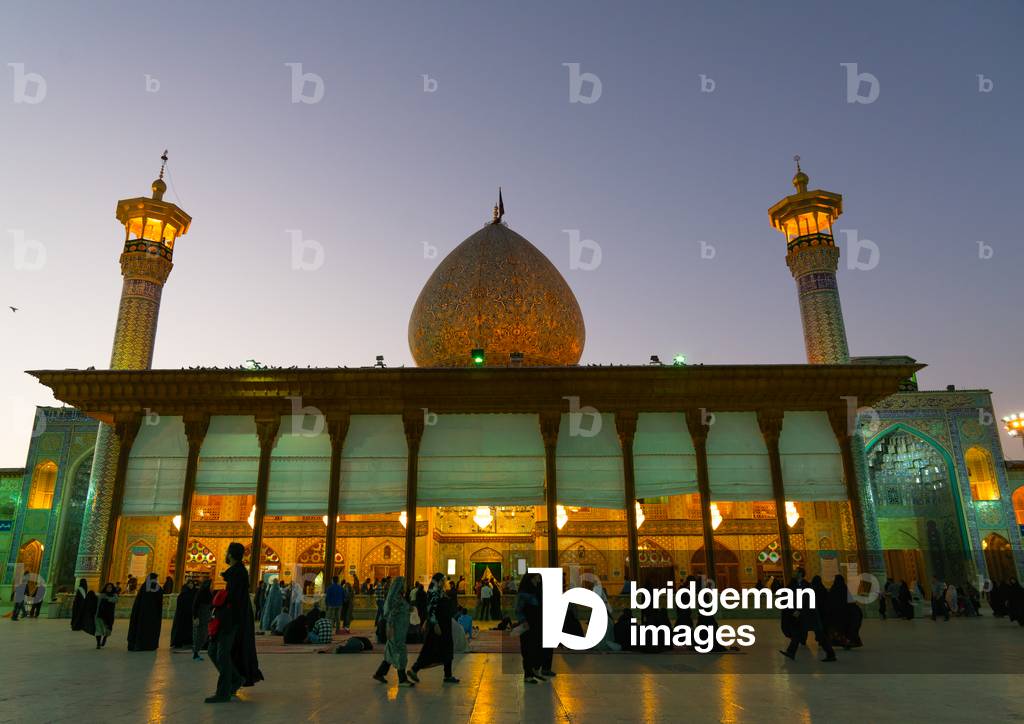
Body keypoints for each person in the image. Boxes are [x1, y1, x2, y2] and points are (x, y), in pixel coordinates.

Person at [205, 541, 262, 703]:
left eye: (227, 551)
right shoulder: (237, 573)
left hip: (231, 620)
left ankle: (223, 691)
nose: (225, 554)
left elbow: (235, 601)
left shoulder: (238, 573)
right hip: (229, 618)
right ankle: (236, 679)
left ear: (230, 554)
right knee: (213, 651)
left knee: (222, 654)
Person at [408, 572, 459, 684]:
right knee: (431, 649)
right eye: (442, 580)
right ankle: (414, 669)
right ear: (438, 581)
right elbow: (431, 609)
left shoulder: (439, 591)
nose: (444, 582)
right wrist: (435, 624)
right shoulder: (434, 592)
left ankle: (448, 675)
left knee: (444, 648)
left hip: (444, 624)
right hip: (439, 625)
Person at [780, 568, 836, 662]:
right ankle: (791, 652)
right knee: (797, 633)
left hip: (810, 614)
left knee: (819, 634)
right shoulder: (793, 584)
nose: (793, 573)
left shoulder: (807, 585)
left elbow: (806, 599)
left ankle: (831, 654)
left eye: (795, 572)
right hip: (802, 615)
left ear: (801, 574)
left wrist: (799, 610)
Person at [372, 576, 413, 686]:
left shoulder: (399, 597)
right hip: (396, 630)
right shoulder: (396, 598)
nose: (405, 586)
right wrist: (390, 628)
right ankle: (402, 679)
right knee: (400, 652)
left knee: (391, 651)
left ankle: (379, 673)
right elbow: (391, 615)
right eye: (403, 584)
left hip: (399, 629)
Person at [514, 572, 543, 682]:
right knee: (528, 649)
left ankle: (535, 669)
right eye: (536, 578)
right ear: (531, 579)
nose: (538, 580)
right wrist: (523, 621)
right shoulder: (524, 594)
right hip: (527, 624)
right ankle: (528, 675)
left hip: (537, 623)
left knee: (538, 647)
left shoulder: (537, 591)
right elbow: (518, 609)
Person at [127, 573, 164, 651]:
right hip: (153, 614)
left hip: (141, 614)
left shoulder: (144, 586)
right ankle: (150, 645)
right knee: (151, 629)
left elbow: (138, 601)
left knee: (141, 628)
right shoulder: (158, 587)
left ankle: (139, 644)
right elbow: (159, 602)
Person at [171, 579, 197, 649]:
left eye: (192, 583)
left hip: (191, 615)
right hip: (183, 615)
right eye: (189, 583)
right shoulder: (183, 594)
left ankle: (189, 642)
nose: (191, 585)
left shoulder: (195, 593)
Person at [192, 578, 213, 660]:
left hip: (206, 616)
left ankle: (197, 651)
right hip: (201, 615)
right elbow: (195, 605)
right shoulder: (200, 593)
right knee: (199, 634)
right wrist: (195, 616)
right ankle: (196, 652)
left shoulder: (209, 593)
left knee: (205, 634)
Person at [94, 583, 118, 649]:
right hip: (100, 615)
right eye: (108, 587)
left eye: (110, 587)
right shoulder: (101, 595)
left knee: (108, 630)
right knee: (99, 630)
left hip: (109, 616)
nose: (109, 589)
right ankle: (98, 643)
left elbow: (114, 600)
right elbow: (97, 604)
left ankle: (105, 638)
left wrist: (106, 598)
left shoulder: (114, 596)